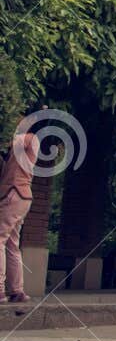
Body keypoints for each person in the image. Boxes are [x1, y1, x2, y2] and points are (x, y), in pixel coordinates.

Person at [0, 123, 42, 306]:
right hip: (19, 196)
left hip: (15, 194)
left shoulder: (30, 138)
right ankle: (17, 291)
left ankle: (0, 290)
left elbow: (14, 141)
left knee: (0, 239)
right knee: (11, 244)